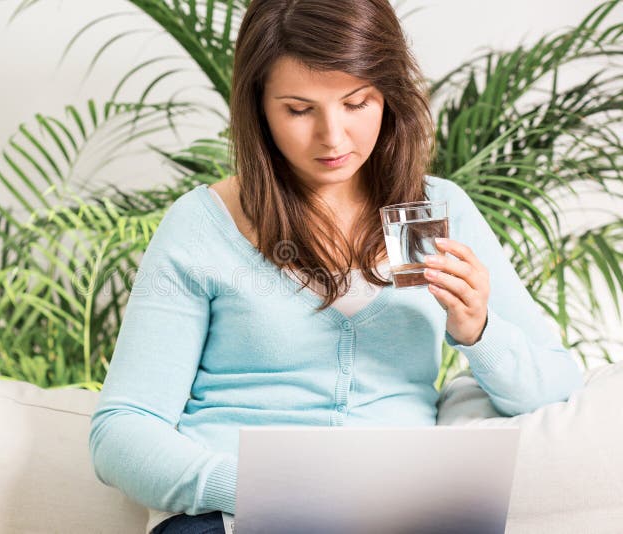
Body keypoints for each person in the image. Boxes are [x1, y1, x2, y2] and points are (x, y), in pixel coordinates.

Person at [89, 1, 584, 532]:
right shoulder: (202, 225)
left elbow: (554, 386)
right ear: (258, 108)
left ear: (389, 96)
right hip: (231, 515)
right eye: (299, 110)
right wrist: (255, 487)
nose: (333, 137)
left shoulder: (437, 212)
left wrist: (478, 331)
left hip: (396, 514)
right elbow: (121, 430)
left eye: (356, 103)